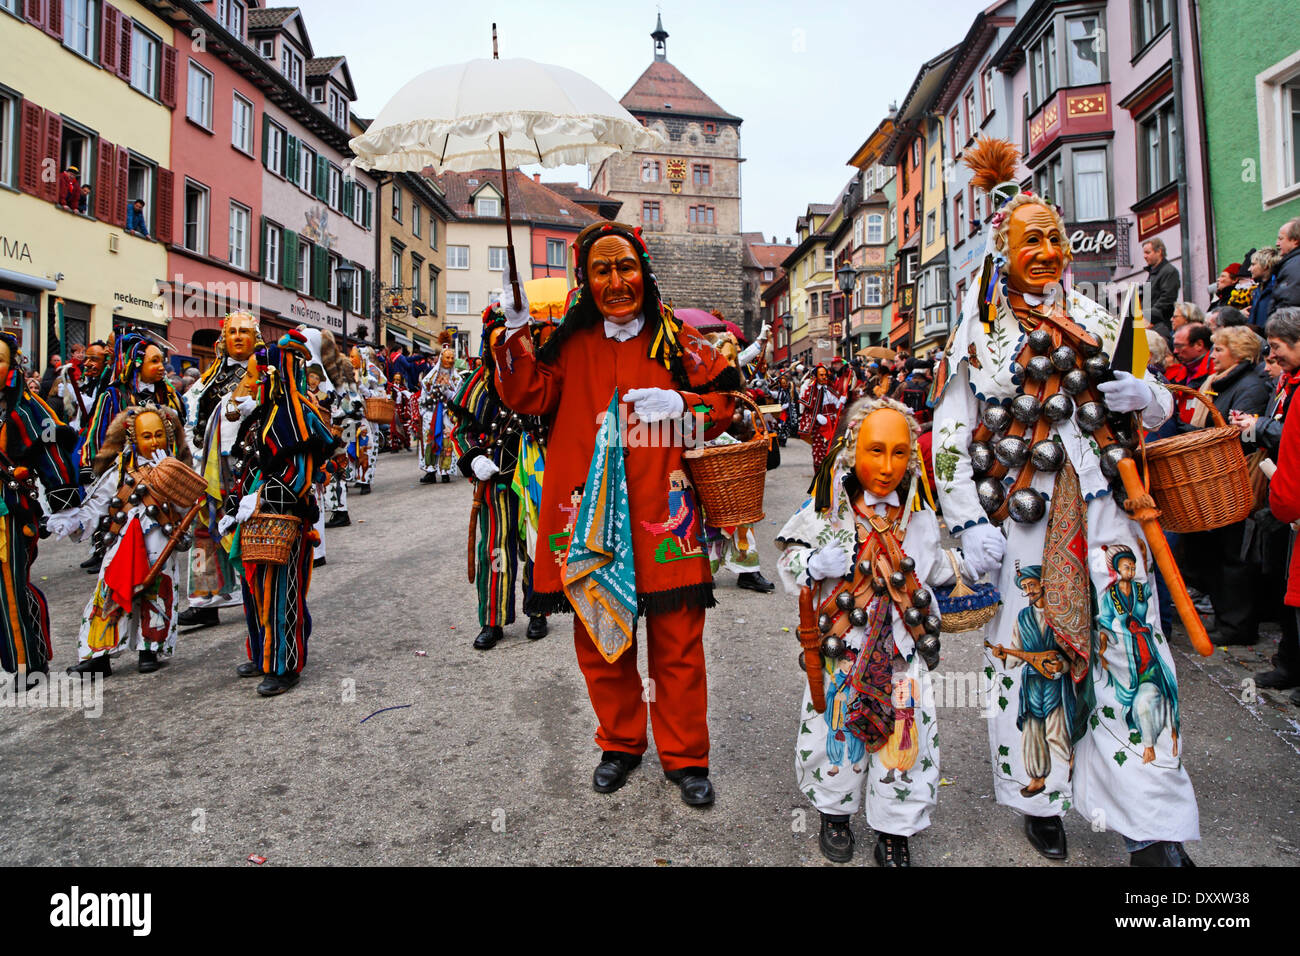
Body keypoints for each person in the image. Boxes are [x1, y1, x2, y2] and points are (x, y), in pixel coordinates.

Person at [932, 137, 1197, 866]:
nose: (1047, 250)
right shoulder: (979, 334)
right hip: (1022, 522)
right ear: (1003, 250)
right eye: (1031, 240)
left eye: (1054, 237)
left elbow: (1162, 402)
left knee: (1134, 654)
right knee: (1029, 661)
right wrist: (964, 522)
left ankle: (1153, 824)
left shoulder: (1104, 318)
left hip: (1112, 516)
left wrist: (1151, 397)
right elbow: (949, 432)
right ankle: (1039, 797)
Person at [491, 220, 738, 805]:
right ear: (586, 279)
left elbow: (730, 404)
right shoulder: (565, 343)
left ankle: (685, 757)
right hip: (588, 520)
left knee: (678, 642)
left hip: (665, 517)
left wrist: (682, 402)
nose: (616, 280)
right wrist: (518, 327)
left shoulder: (674, 340)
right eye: (601, 270)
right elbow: (524, 394)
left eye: (625, 267)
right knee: (602, 639)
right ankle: (621, 743)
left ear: (643, 272)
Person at [777, 397, 971, 865]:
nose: (887, 466)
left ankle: (894, 832)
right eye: (876, 450)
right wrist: (811, 563)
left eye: (900, 453)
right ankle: (835, 815)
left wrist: (968, 562)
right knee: (836, 732)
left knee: (903, 740)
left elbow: (926, 569)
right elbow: (787, 561)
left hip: (902, 649)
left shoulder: (919, 513)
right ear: (852, 449)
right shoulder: (826, 508)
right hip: (843, 648)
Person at [220, 331, 345, 696]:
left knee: (282, 590)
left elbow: (299, 475)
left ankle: (285, 664)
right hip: (255, 519)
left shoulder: (295, 412)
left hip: (285, 516)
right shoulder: (262, 413)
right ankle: (264, 653)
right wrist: (235, 505)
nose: (254, 382)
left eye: (260, 375)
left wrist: (257, 499)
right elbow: (248, 464)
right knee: (254, 588)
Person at [51, 406, 194, 676]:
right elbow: (98, 504)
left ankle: (149, 649)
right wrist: (74, 522)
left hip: (159, 541)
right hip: (121, 540)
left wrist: (172, 476)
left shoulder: (176, 467)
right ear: (133, 438)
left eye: (160, 435)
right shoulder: (119, 470)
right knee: (108, 590)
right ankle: (99, 655)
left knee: (155, 591)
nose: (154, 442)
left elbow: (188, 507)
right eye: (147, 436)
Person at [1178, 326, 1271, 646]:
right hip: (1217, 477)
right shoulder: (1219, 382)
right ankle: (1224, 618)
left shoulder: (1250, 385)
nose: (1213, 356)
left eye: (1219, 350)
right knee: (1216, 553)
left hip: (1236, 478)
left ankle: (1237, 625)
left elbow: (1242, 433)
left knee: (1234, 556)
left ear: (1240, 352)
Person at [0, 333, 83, 684]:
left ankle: (28, 664)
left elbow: (52, 456)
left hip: (11, 511)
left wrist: (67, 507)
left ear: (12, 365)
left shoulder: (26, 408)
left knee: (11, 586)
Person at [177, 312, 260, 629]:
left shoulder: (261, 375)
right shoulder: (209, 375)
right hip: (204, 465)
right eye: (233, 332)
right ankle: (205, 601)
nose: (238, 336)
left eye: (245, 332)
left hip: (240, 467)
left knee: (240, 530)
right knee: (204, 535)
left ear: (255, 339)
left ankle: (254, 590)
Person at [418, 332, 463, 484]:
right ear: (441, 359)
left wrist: (448, 393)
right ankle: (430, 471)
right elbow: (423, 395)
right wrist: (425, 409)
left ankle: (445, 471)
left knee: (446, 442)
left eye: (452, 358)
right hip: (431, 413)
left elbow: (458, 397)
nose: (450, 360)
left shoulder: (456, 379)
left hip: (447, 414)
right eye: (447, 357)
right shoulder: (429, 378)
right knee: (429, 439)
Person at [1168, 323, 1214, 423]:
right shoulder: (1180, 372)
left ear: (1199, 345)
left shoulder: (1215, 374)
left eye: (1179, 346)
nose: (1175, 351)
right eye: (1174, 346)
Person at [1143, 237, 1180, 339]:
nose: (1144, 256)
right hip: (1151, 325)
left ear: (1159, 251)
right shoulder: (1153, 273)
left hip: (1161, 326)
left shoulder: (1169, 271)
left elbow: (1167, 300)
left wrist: (1148, 318)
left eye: (1147, 252)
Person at [1269, 218, 1300, 317]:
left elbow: (1289, 303)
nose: (1277, 243)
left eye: (1281, 238)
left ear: (1295, 240)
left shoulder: (1294, 265)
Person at [1249, 247, 1280, 330]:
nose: (1249, 269)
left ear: (1265, 265)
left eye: (1253, 264)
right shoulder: (1258, 289)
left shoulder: (1277, 289)